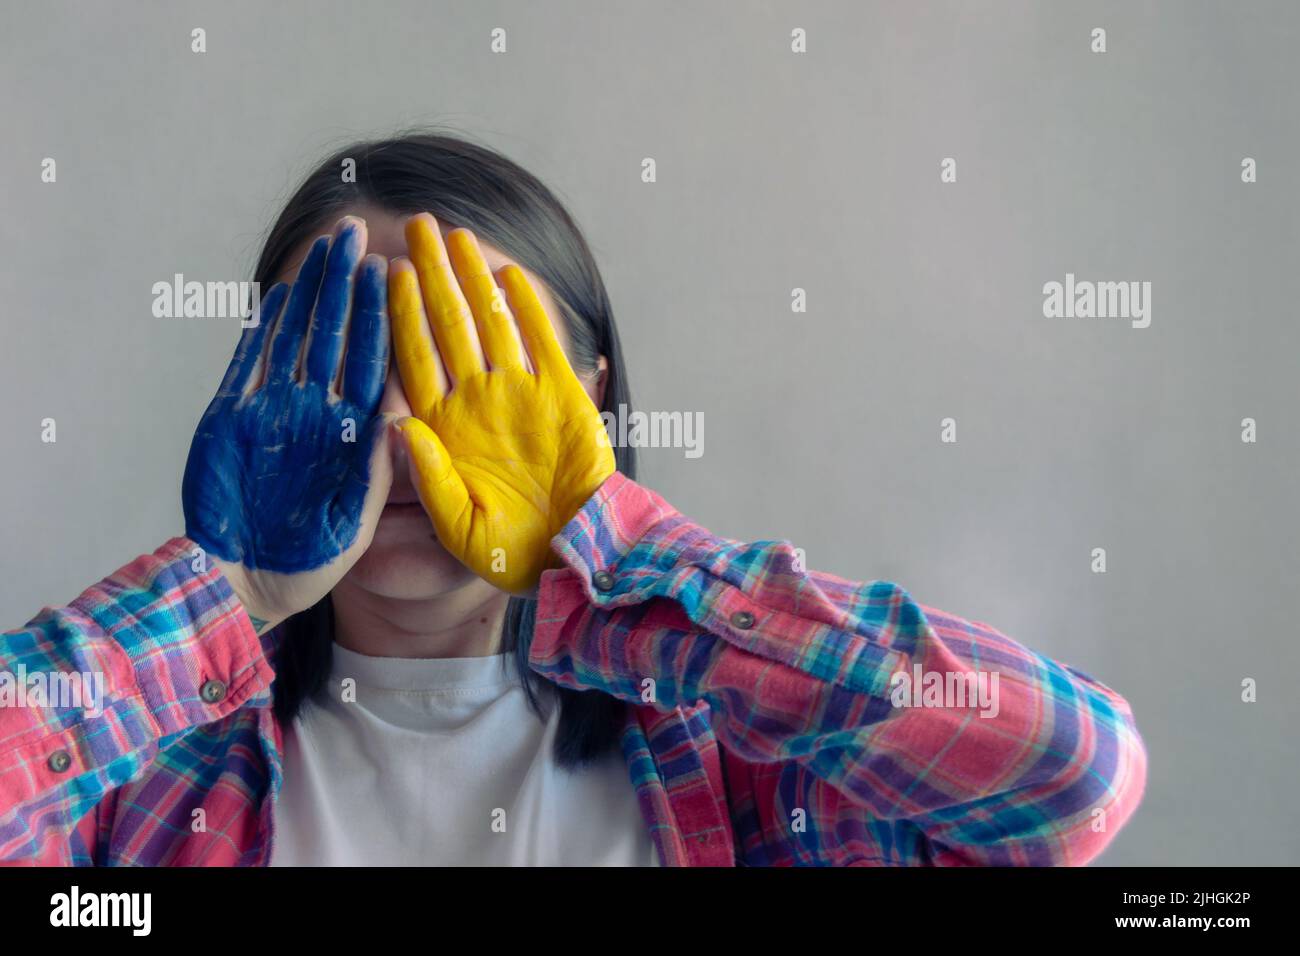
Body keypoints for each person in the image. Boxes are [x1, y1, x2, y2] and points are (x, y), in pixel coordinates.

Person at [0, 132, 1147, 866]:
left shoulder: (750, 767)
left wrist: (613, 555)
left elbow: (1070, 778)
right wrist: (224, 590)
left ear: (585, 398)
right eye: (344, 352)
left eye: (460, 358)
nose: (397, 422)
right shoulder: (133, 782)